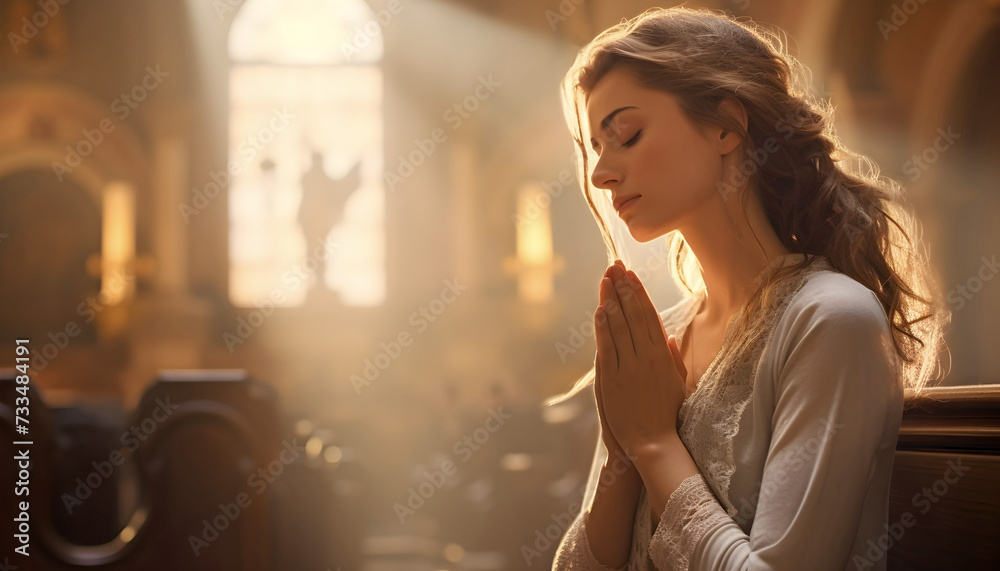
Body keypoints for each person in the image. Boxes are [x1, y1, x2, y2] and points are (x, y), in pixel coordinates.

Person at [545, 7, 951, 570]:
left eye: (628, 135)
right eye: (596, 147)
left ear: (727, 127)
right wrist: (622, 447)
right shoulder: (658, 337)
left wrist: (653, 443)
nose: (600, 173)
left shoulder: (832, 320)